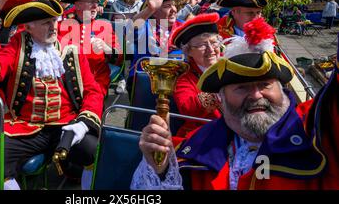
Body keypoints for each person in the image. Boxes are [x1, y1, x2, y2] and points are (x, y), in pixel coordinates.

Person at [131, 18, 339, 190]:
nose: (256, 95)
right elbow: (188, 106)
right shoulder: (196, 144)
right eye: (241, 87)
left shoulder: (313, 127)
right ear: (223, 95)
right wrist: (162, 168)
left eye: (265, 84)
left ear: (283, 89)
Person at [0, 0, 104, 190]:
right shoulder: (17, 45)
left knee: (95, 152)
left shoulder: (70, 50)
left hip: (67, 126)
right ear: (29, 27)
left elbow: (93, 90)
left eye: (54, 21)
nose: (53, 27)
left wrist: (83, 123)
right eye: (46, 23)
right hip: (26, 128)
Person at [58, 0, 123, 98]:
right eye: (91, 2)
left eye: (97, 3)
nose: (95, 6)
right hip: (68, 82)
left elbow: (119, 58)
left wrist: (106, 48)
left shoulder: (104, 27)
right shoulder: (62, 27)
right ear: (77, 5)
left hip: (96, 81)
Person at [170, 13, 222, 137]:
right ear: (189, 51)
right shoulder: (184, 77)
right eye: (202, 45)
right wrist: (222, 91)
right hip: (204, 135)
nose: (211, 49)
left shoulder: (231, 65)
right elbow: (188, 109)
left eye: (214, 42)